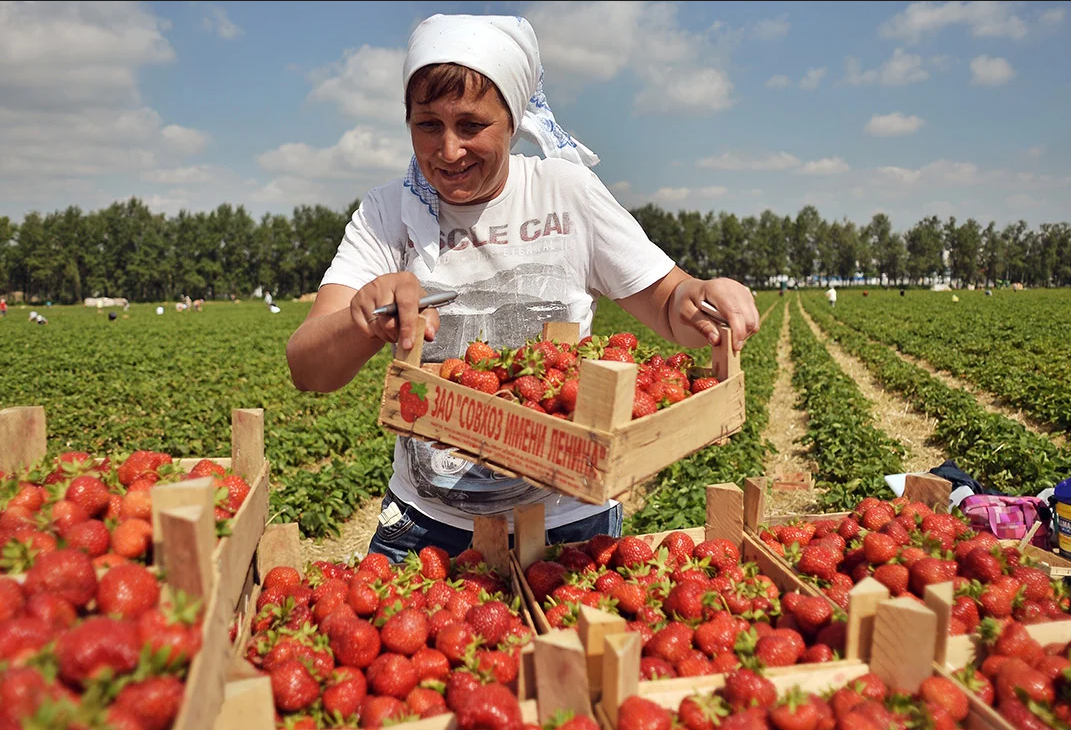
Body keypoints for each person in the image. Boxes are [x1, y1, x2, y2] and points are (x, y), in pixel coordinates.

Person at [284, 13, 761, 563]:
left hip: (570, 521)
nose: (449, 150)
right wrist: (363, 320)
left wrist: (703, 295)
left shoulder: (566, 192)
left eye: (471, 125)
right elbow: (307, 367)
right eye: (428, 125)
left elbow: (669, 302)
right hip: (426, 528)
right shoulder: (386, 213)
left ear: (512, 121)